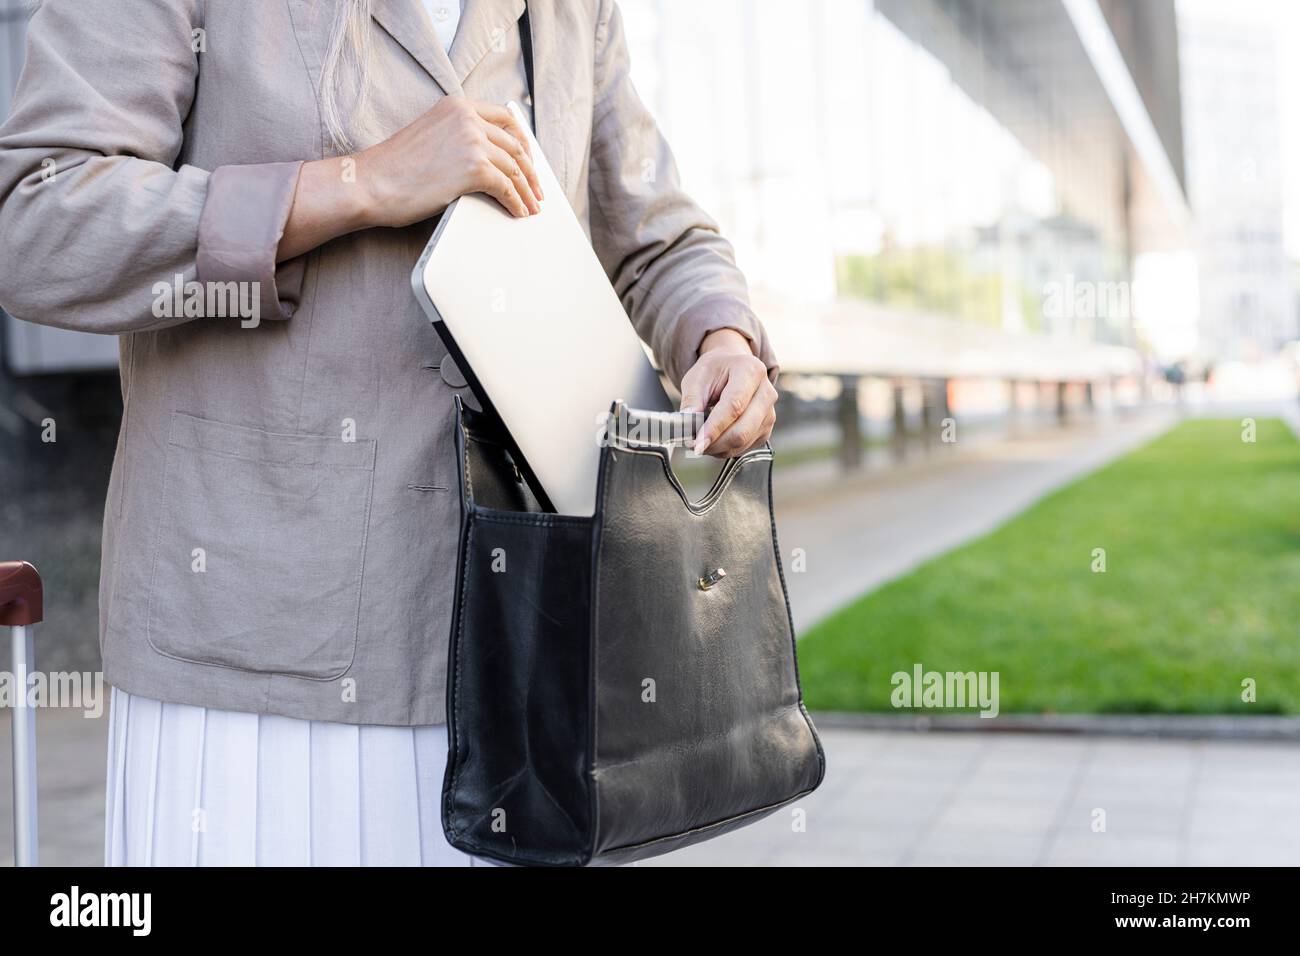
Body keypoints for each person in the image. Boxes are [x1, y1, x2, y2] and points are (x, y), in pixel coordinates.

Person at [0, 0, 779, 865]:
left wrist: (721, 336)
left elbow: (654, 232)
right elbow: (33, 220)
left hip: (524, 648)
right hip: (256, 659)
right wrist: (355, 184)